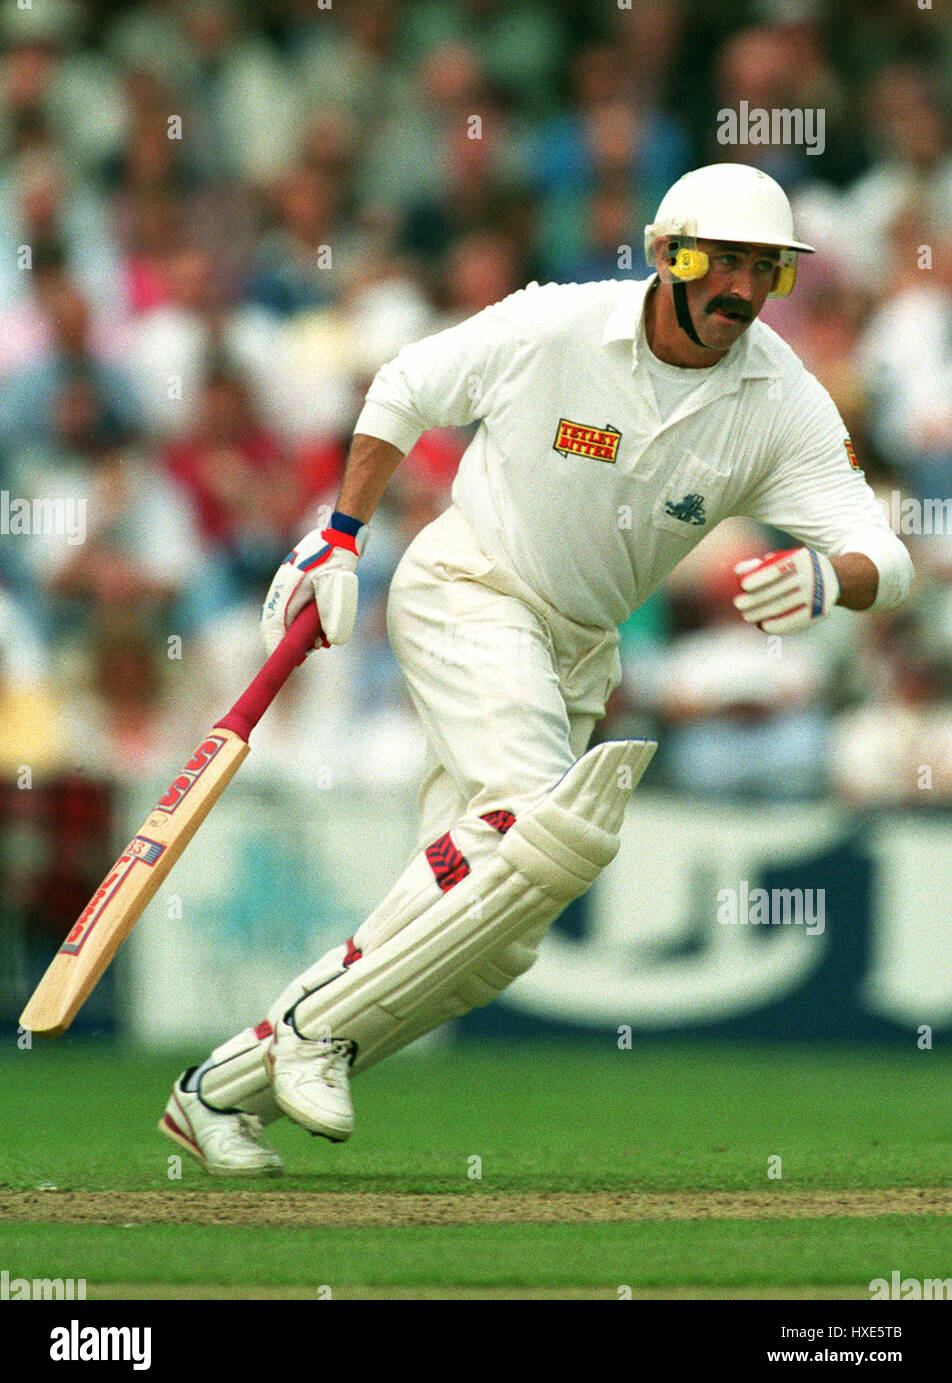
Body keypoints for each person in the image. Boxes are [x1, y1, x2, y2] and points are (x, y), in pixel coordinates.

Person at [159, 164, 912, 1175]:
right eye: (722, 262)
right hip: (471, 585)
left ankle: (217, 1092)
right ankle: (312, 1025)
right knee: (526, 824)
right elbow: (404, 386)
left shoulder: (780, 401)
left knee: (489, 937)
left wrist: (834, 577)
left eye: (764, 270)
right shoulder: (558, 325)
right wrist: (339, 534)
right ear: (668, 255)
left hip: (577, 654)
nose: (740, 290)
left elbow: (890, 559)